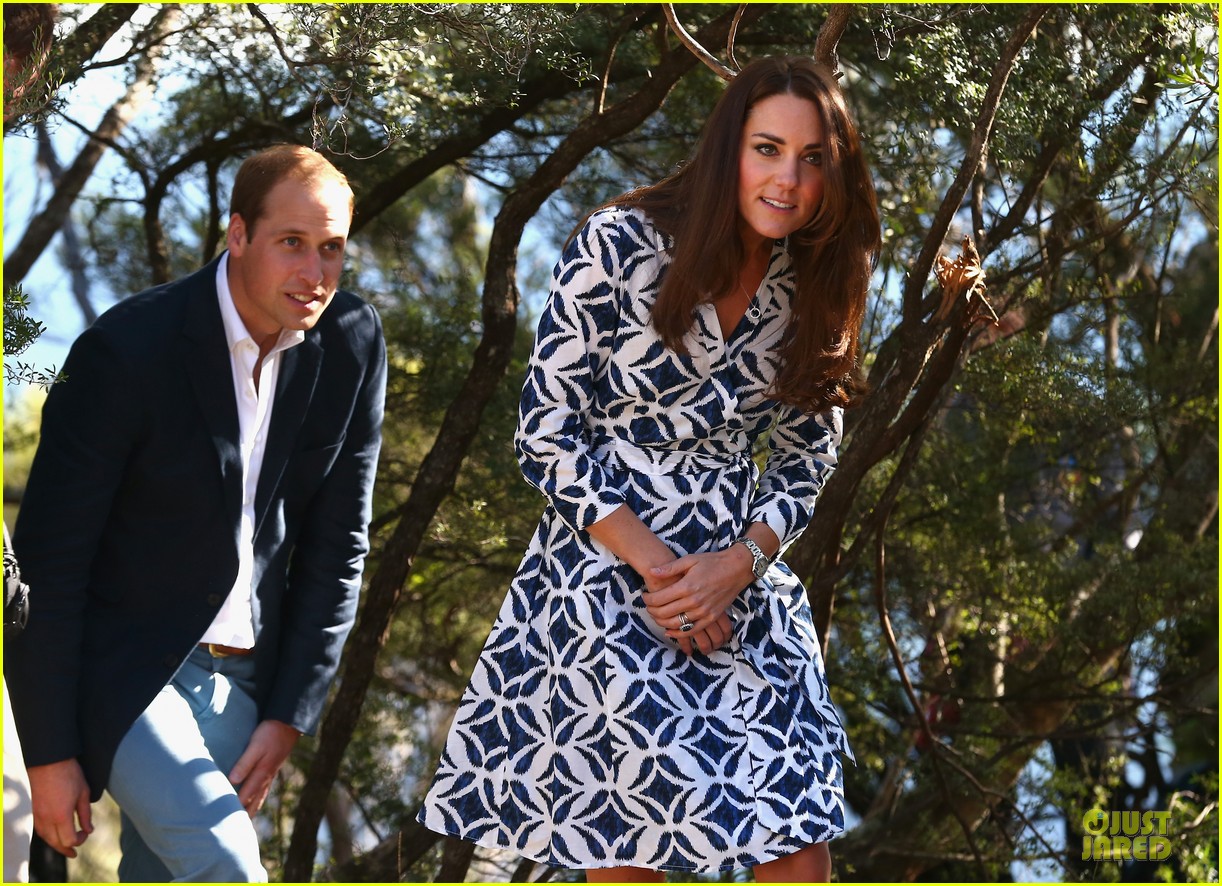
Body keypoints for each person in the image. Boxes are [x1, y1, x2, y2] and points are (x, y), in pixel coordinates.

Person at [418, 56, 879, 881]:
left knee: (798, 846)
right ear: (728, 147)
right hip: (605, 573)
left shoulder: (817, 278)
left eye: (813, 159)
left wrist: (737, 567)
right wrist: (667, 578)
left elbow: (808, 455)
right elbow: (546, 430)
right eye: (768, 149)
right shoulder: (619, 242)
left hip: (740, 585)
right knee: (631, 850)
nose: (788, 179)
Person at [5, 144, 387, 882]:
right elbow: (48, 563)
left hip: (247, 685)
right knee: (227, 867)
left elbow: (339, 545)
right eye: (292, 243)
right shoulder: (127, 350)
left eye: (332, 248)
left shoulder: (351, 341)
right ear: (237, 234)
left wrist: (290, 711)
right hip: (127, 675)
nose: (314, 273)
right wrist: (48, 753)